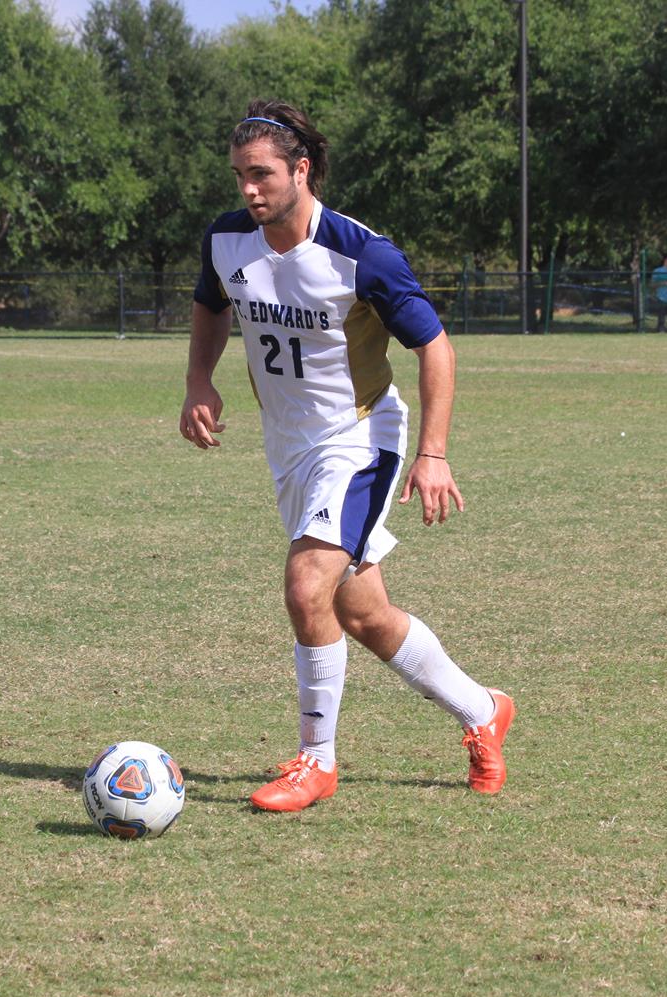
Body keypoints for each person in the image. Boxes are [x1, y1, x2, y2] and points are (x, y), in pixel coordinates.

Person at [180, 100, 515, 813]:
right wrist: (198, 381)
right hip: (288, 449)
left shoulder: (361, 252)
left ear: (302, 170)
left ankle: (316, 761)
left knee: (307, 585)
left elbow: (435, 347)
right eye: (239, 175)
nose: (248, 189)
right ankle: (484, 709)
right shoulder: (226, 240)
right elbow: (211, 305)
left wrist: (434, 452)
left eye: (263, 174)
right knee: (362, 613)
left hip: (360, 439)